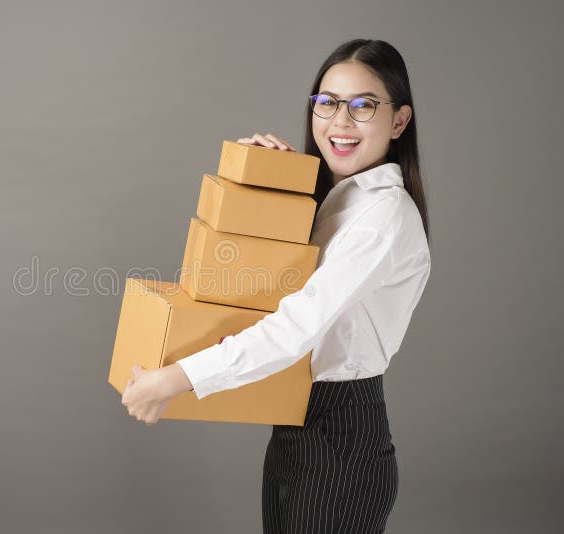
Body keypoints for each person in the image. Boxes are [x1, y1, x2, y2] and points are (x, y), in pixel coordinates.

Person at [121, 38, 431, 533]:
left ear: (398, 121)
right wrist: (269, 184)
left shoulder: (385, 214)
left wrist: (177, 379)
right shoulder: (337, 203)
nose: (340, 122)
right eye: (327, 103)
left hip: (341, 440)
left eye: (363, 106)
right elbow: (259, 288)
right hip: (296, 425)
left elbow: (294, 327)